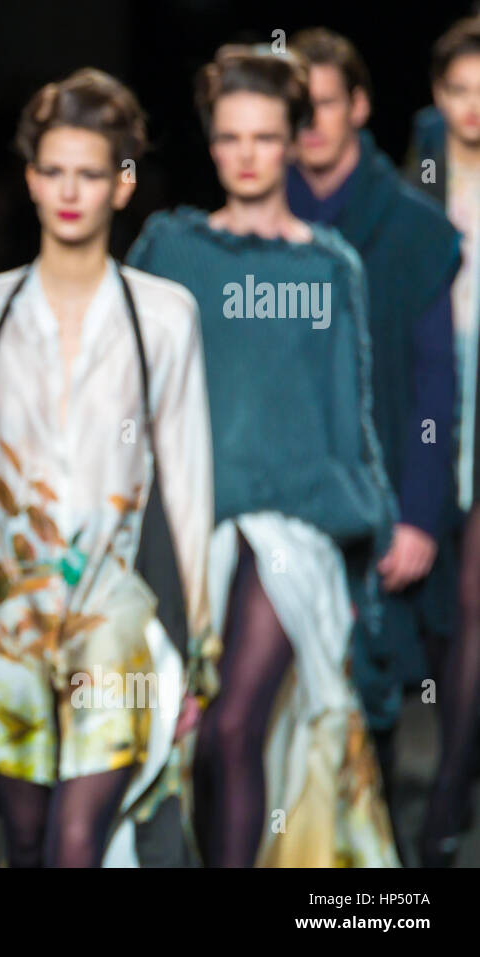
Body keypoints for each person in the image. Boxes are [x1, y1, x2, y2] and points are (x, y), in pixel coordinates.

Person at [0, 68, 218, 867]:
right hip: (3, 612)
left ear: (122, 184)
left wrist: (199, 647)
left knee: (75, 840)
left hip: (116, 610)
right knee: (25, 839)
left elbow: (190, 481)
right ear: (30, 176)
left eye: (91, 173)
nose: (70, 191)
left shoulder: (165, 317)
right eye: (54, 170)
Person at [127, 45, 399, 866]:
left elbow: (350, 416)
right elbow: (126, 381)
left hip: (297, 523)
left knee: (236, 721)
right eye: (230, 137)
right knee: (192, 737)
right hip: (187, 518)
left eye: (265, 136)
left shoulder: (328, 265)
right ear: (212, 144)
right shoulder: (170, 250)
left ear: (293, 142)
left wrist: (371, 549)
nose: (247, 154)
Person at [286, 27, 461, 847]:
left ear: (358, 106)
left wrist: (421, 514)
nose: (305, 123)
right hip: (281, 501)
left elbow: (436, 383)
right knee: (270, 714)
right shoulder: (258, 218)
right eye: (292, 108)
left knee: (376, 696)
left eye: (320, 103)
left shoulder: (416, 230)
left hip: (383, 499)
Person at [404, 14, 480, 866]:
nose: (473, 109)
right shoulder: (418, 173)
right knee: (436, 617)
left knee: (471, 606)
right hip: (433, 406)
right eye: (458, 91)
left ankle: (445, 809)